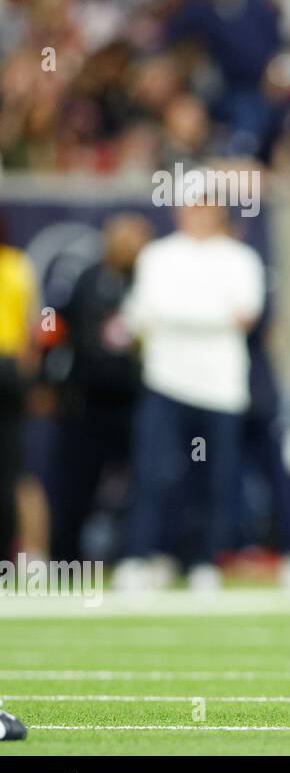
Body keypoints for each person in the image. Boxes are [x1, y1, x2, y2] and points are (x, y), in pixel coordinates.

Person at [119, 197, 265, 591]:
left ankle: (205, 562)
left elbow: (246, 314)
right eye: (191, 204)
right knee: (154, 474)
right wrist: (212, 314)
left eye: (205, 205)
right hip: (165, 382)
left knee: (217, 480)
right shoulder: (157, 256)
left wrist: (175, 315)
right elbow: (143, 314)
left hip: (221, 389)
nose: (198, 213)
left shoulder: (240, 258)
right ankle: (141, 557)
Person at [47, 212, 152, 562]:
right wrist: (49, 383)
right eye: (122, 239)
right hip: (87, 401)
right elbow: (55, 327)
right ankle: (66, 561)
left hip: (136, 400)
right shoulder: (86, 279)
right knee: (76, 488)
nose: (128, 247)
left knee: (144, 487)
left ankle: (134, 558)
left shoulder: (152, 281)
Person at [0, 216, 37, 559]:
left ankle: (27, 552)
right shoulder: (17, 264)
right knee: (16, 469)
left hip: (7, 366)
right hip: (11, 365)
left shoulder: (15, 265)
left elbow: (32, 323)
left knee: (16, 470)